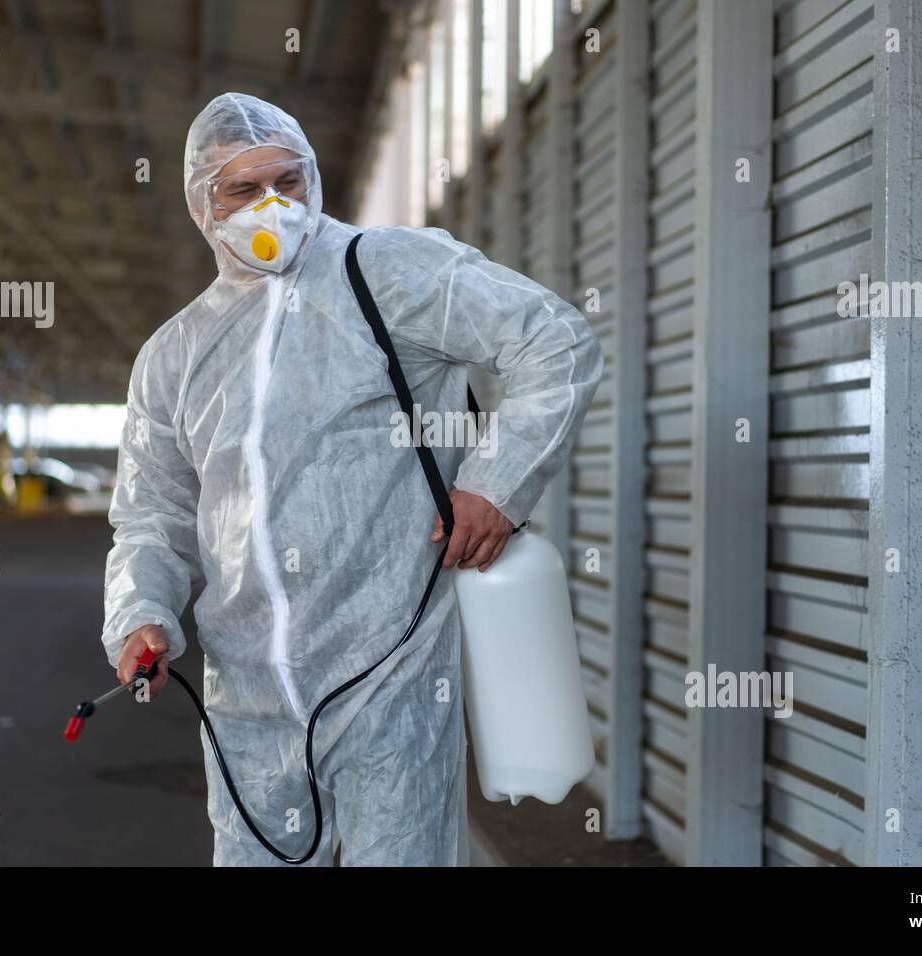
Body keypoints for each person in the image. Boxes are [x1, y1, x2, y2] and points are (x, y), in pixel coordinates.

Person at [101, 93, 603, 866]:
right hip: (247, 700)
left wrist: (498, 483)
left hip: (389, 676)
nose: (272, 205)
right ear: (203, 205)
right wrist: (142, 612)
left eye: (288, 182)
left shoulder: (389, 271)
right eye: (243, 190)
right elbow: (152, 511)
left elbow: (554, 341)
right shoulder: (176, 355)